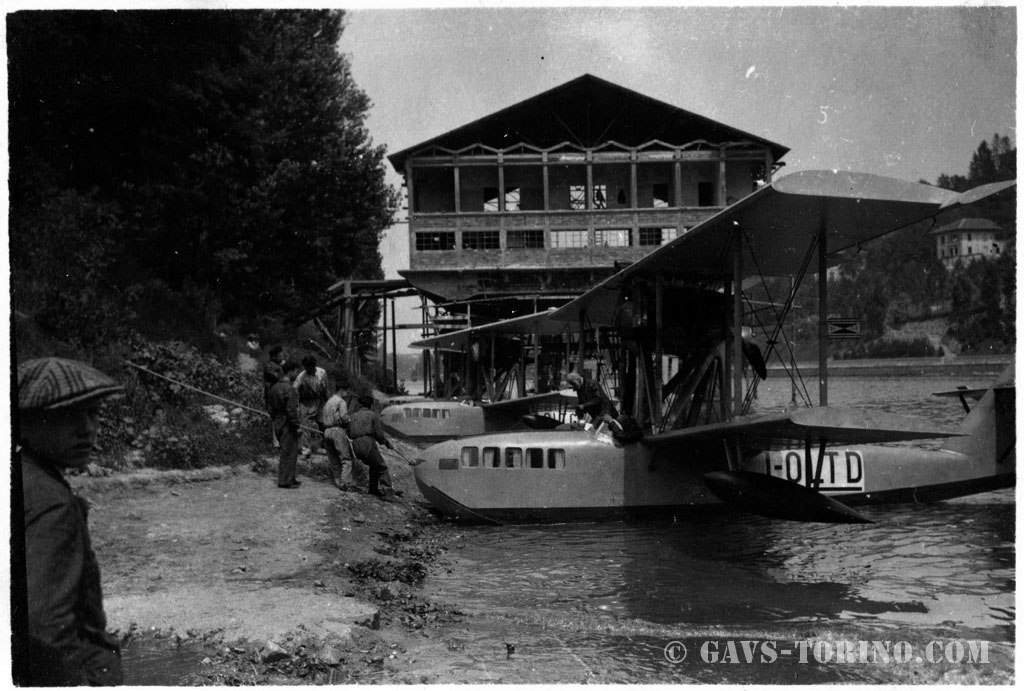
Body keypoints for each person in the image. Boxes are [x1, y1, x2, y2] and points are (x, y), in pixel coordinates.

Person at [17, 357, 125, 685]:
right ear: (23, 422)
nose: (87, 429)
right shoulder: (52, 504)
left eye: (92, 413)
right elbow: (43, 627)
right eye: (68, 415)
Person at [343, 395, 398, 501]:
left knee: (374, 465)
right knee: (382, 467)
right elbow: (379, 434)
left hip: (355, 445)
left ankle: (373, 489)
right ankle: (387, 492)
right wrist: (386, 443)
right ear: (370, 405)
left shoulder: (353, 416)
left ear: (360, 404)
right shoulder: (373, 415)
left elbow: (349, 433)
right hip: (367, 444)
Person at [322, 380, 366, 490]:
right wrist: (351, 422)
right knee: (345, 458)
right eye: (347, 392)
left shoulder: (329, 401)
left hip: (326, 430)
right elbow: (344, 418)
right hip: (337, 430)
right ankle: (346, 482)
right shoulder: (341, 402)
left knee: (333, 458)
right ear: (342, 390)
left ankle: (338, 481)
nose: (348, 394)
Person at [268, 360, 302, 489]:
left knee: (288, 450)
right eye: (296, 371)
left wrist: (276, 419)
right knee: (289, 452)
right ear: (291, 371)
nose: (297, 374)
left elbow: (270, 409)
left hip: (278, 420)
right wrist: (296, 425)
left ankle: (290, 478)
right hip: (287, 422)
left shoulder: (274, 387)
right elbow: (291, 411)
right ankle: (285, 481)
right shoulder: (289, 389)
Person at [293, 355, 329, 456]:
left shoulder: (321, 373)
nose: (308, 369)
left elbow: (325, 388)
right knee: (305, 425)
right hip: (306, 402)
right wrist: (297, 405)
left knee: (324, 423)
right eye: (306, 367)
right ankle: (305, 448)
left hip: (319, 400)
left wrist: (327, 402)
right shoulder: (301, 376)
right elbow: (295, 389)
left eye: (310, 367)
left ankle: (326, 445)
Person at [262, 345, 285, 448]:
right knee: (275, 418)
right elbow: (277, 378)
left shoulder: (278, 366)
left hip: (279, 395)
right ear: (274, 357)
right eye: (280, 356)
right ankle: (276, 442)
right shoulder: (270, 366)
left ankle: (281, 440)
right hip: (272, 396)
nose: (282, 357)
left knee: (280, 417)